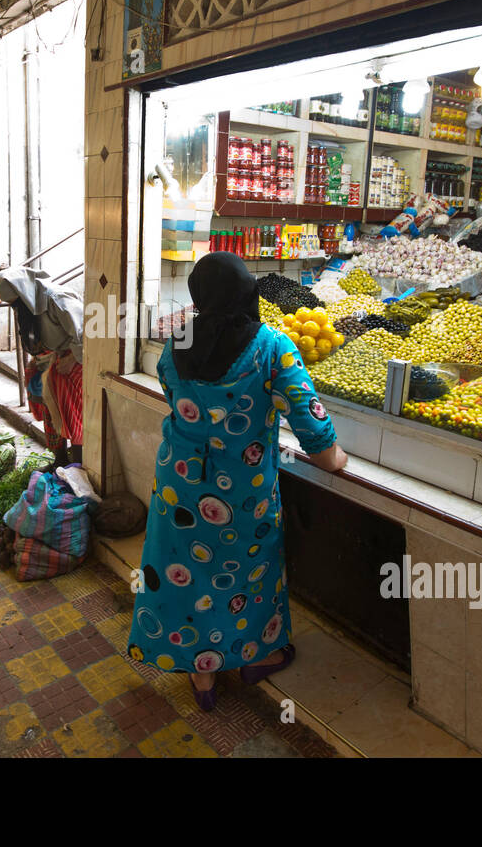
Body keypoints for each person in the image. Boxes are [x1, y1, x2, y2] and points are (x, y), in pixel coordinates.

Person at [127, 253, 348, 711]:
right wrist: (335, 455)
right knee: (248, 576)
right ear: (248, 291)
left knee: (184, 576)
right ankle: (255, 656)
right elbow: (312, 429)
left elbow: (174, 397)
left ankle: (201, 678)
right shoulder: (272, 346)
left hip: (180, 485)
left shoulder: (176, 343)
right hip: (244, 494)